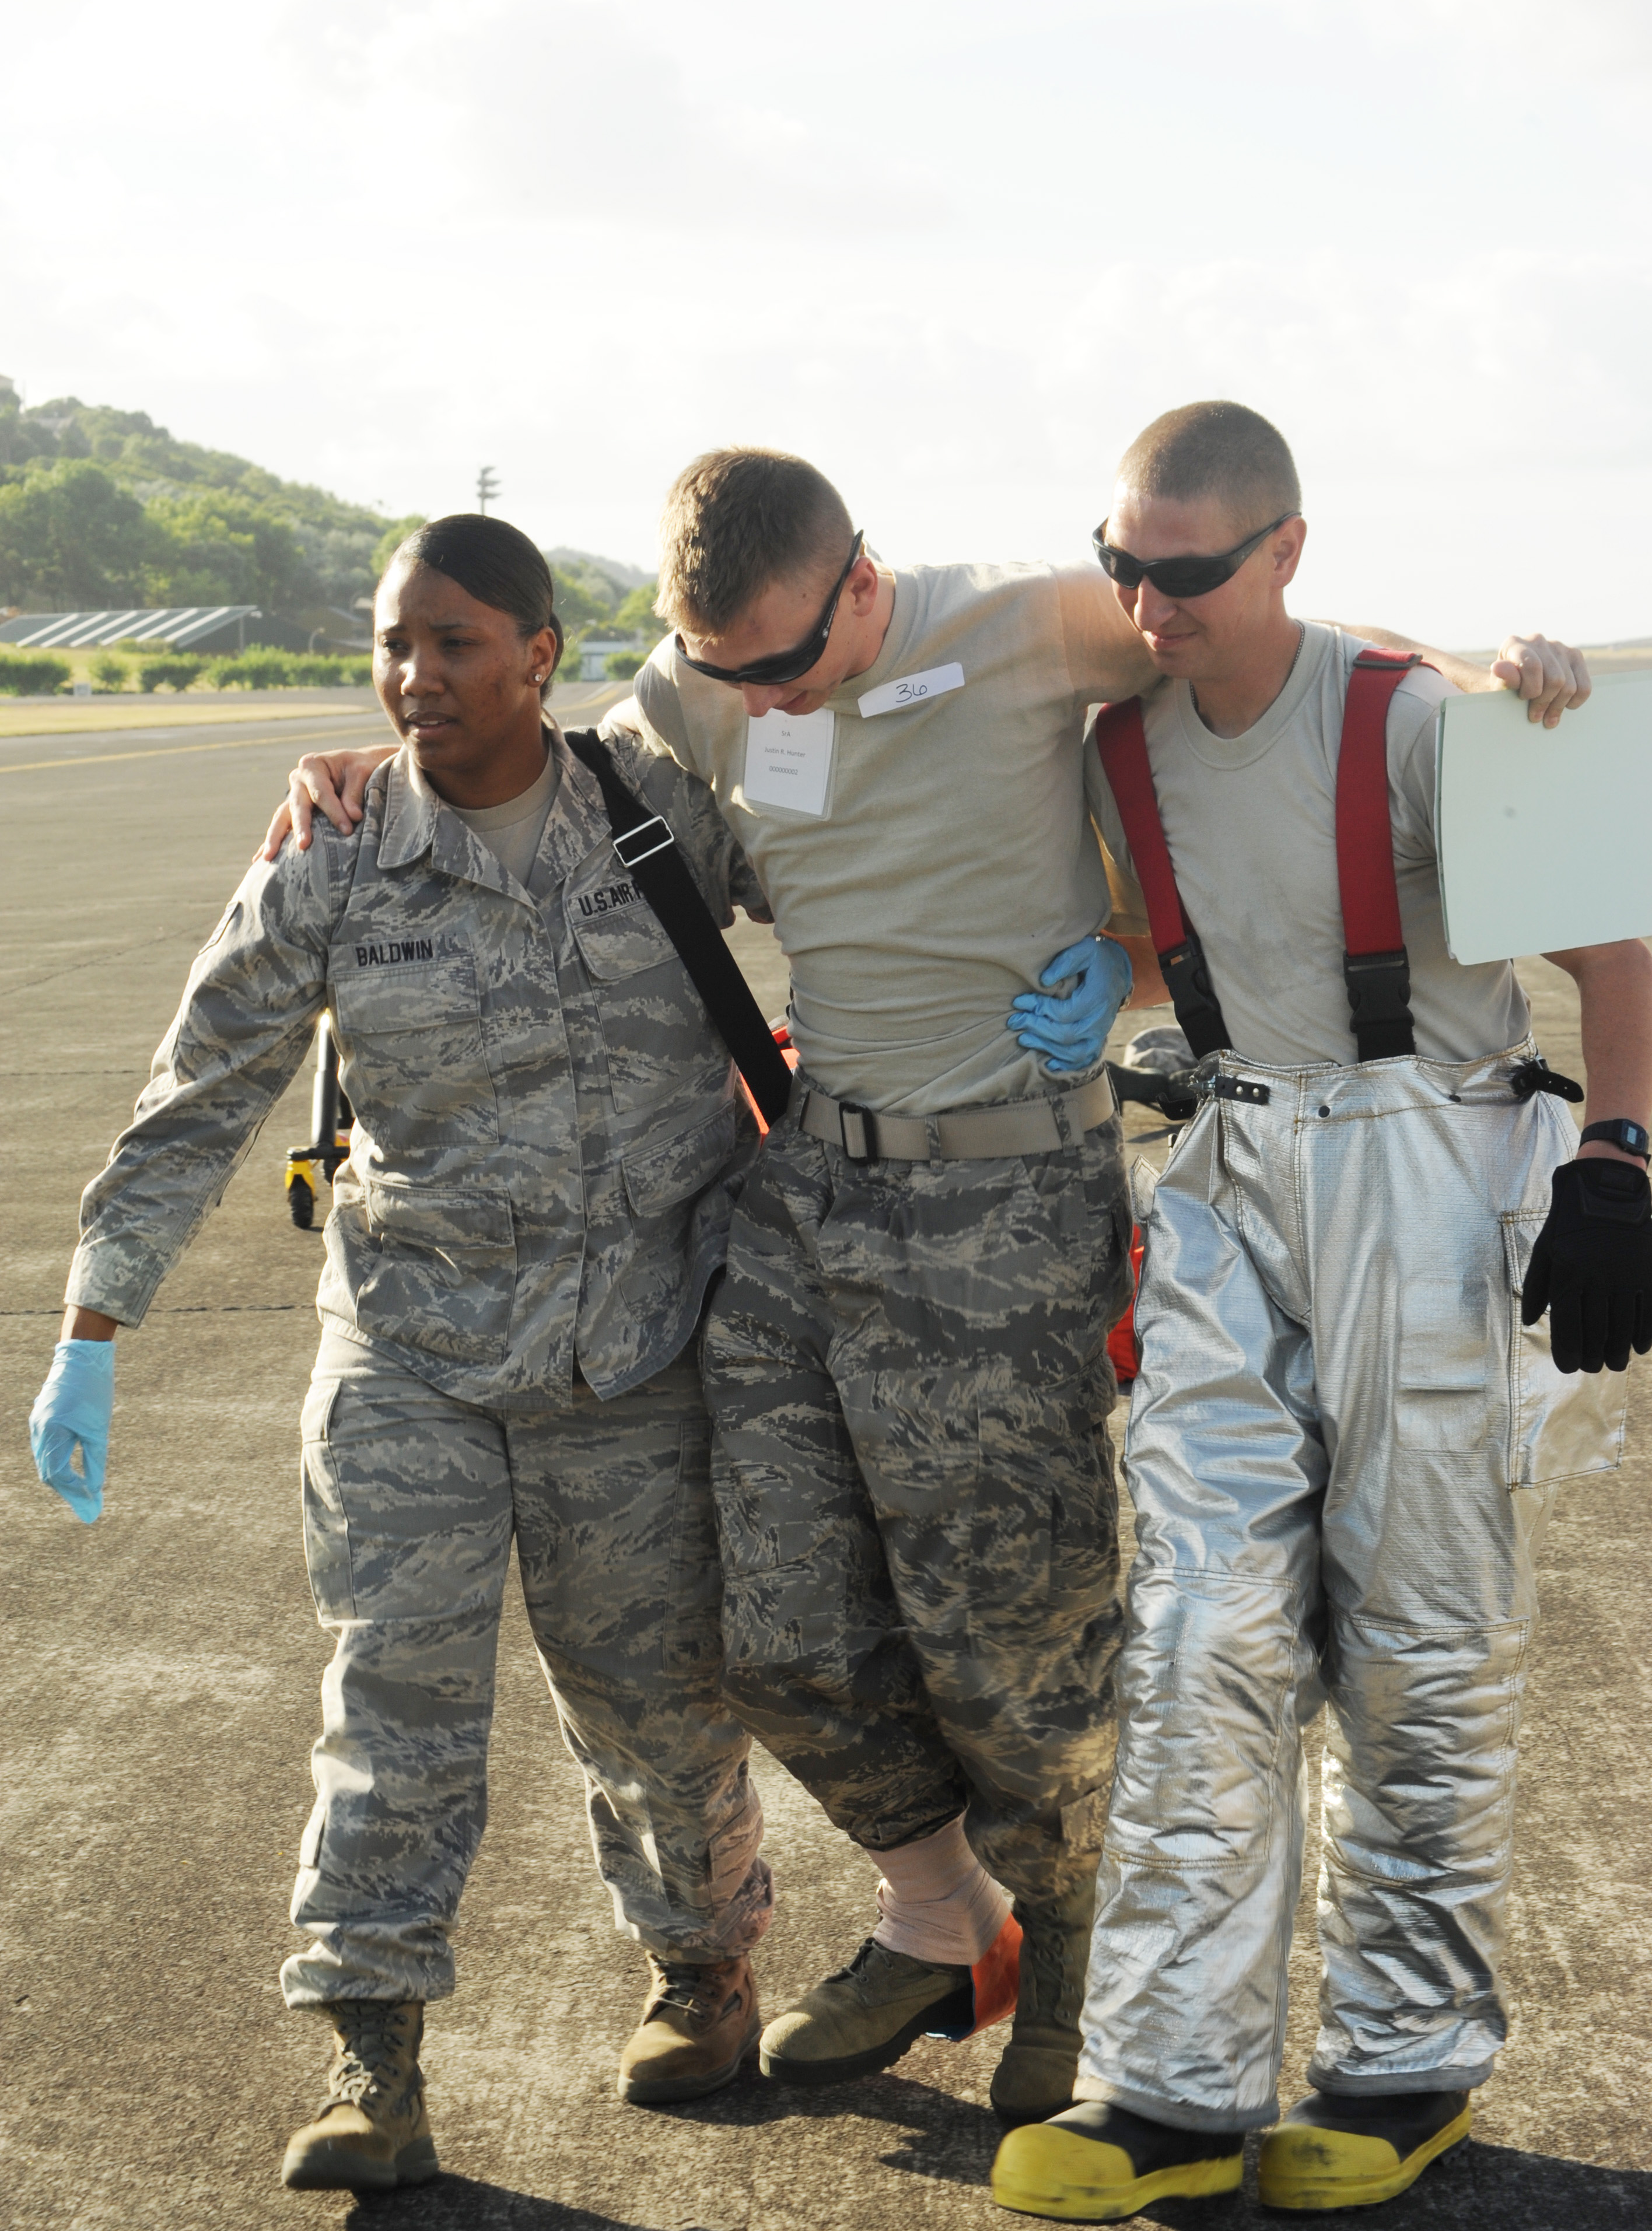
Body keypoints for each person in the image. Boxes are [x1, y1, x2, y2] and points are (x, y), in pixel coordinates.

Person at [271, 451, 1586, 2131]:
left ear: (866, 584)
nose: (754, 700)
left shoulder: (1037, 626)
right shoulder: (709, 680)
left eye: (784, 668)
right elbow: (573, 763)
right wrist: (377, 764)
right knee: (777, 1620)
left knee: (1012, 1623)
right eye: (725, 672)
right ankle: (937, 1915)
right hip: (807, 1185)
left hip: (1002, 1192)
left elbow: (1292, 648)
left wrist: (1493, 680)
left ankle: (1076, 1950)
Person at [28, 516, 782, 2195]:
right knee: (392, 1709)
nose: (414, 677)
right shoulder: (336, 854)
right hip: (413, 1353)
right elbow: (200, 1087)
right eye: (393, 645)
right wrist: (96, 1324)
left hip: (636, 1354)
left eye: (454, 644)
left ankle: (704, 1972)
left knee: (658, 1706)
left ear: (540, 654)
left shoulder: (661, 811)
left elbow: (861, 889)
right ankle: (374, 2057)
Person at [989, 401, 1644, 2224]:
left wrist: (1620, 1158)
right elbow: (1177, 906)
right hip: (1227, 1172)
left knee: (1419, 1640)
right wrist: (1110, 966)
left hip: (1429, 1173)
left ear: (1283, 549)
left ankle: (1405, 2058)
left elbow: (1606, 944)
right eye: (1125, 565)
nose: (1148, 603)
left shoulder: (1411, 719)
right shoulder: (1121, 740)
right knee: (1199, 1629)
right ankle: (1173, 2087)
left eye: (1187, 573)